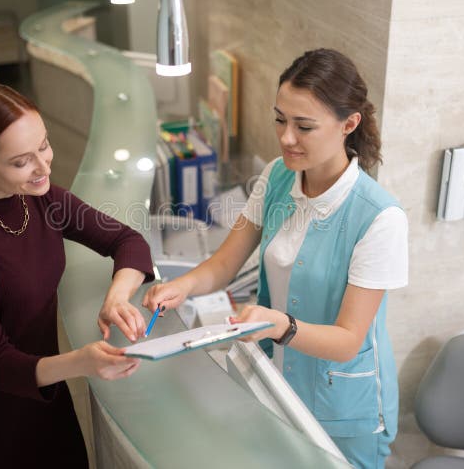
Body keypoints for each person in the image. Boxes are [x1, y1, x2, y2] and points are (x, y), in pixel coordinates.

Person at [143, 49, 408, 468]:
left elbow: (348, 340)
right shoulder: (277, 176)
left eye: (304, 126)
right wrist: (181, 286)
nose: (286, 137)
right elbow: (225, 264)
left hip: (342, 410)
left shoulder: (380, 218)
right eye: (280, 119)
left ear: (349, 124)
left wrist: (279, 325)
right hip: (276, 381)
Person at [0, 84, 154, 468]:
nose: (44, 167)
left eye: (44, 146)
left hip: (49, 401)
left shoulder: (46, 202)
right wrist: (80, 363)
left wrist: (116, 296)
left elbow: (128, 241)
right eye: (21, 161)